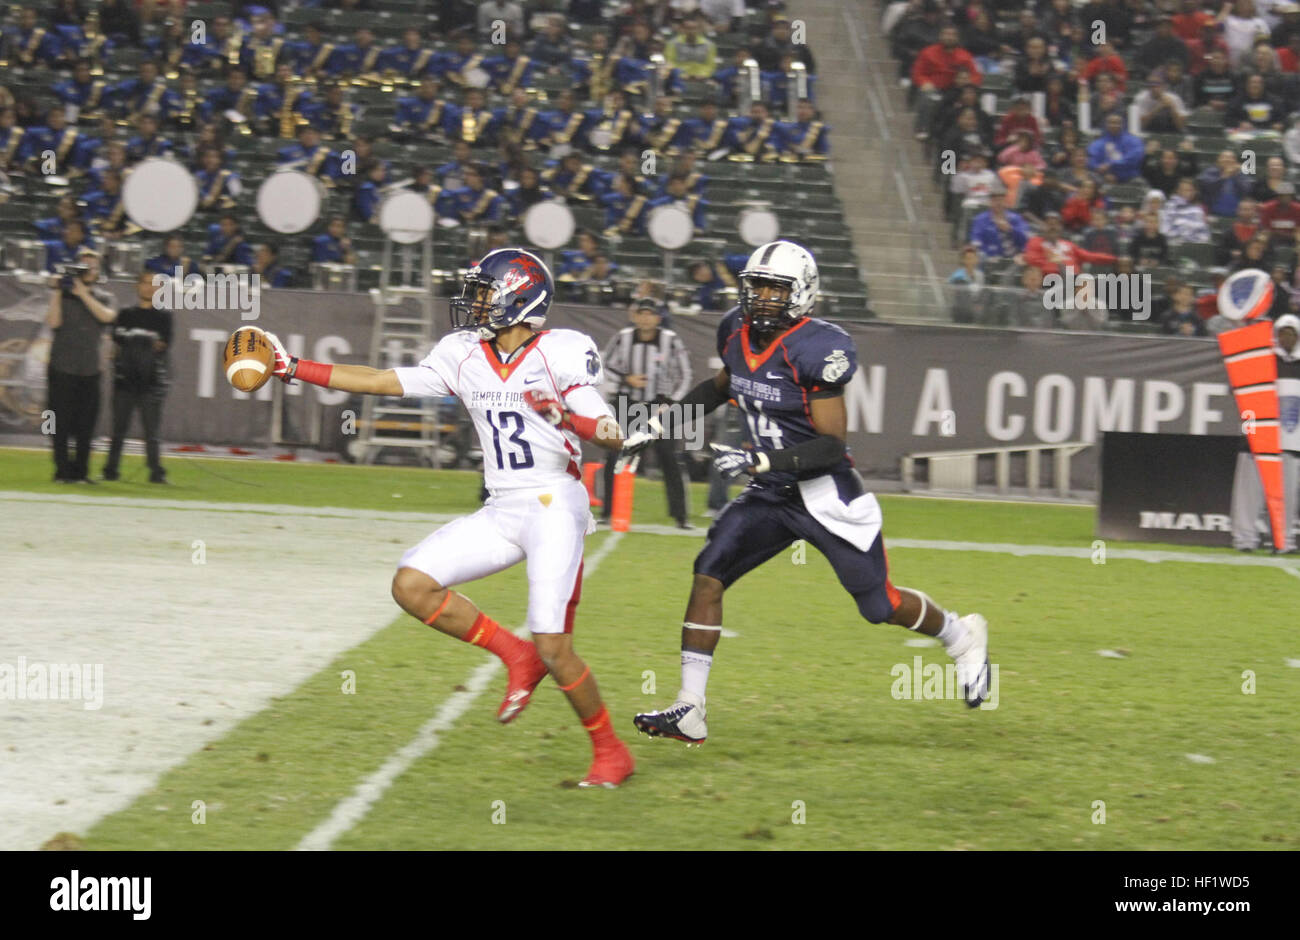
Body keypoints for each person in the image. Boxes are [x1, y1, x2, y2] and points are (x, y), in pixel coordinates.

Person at [252, 248, 635, 788]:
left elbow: (604, 427)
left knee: (556, 644)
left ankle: (611, 752)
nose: (474, 301)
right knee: (411, 585)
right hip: (502, 506)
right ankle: (513, 654)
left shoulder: (562, 352)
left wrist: (570, 417)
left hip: (553, 502)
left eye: (485, 291)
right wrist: (294, 367)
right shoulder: (463, 353)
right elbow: (384, 380)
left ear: (520, 297)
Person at [623, 240, 992, 743]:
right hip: (770, 493)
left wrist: (762, 459)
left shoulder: (818, 349)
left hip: (823, 493)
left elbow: (831, 446)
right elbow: (720, 387)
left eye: (776, 289)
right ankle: (690, 708)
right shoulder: (735, 328)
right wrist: (662, 423)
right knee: (708, 574)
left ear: (802, 294)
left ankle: (961, 634)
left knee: (879, 606)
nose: (762, 299)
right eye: (757, 287)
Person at [600, 299, 693, 529]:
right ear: (635, 316)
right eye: (641, 313)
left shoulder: (670, 340)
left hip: (658, 405)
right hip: (627, 403)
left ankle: (680, 517)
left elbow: (685, 374)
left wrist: (671, 402)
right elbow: (605, 364)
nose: (645, 318)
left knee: (669, 458)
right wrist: (625, 378)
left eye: (650, 314)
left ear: (658, 318)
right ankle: (607, 512)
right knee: (614, 456)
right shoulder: (623, 337)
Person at [45, 249, 116, 484]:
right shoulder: (63, 296)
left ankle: (81, 472)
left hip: (90, 370)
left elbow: (107, 317)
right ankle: (61, 471)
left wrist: (84, 294)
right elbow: (53, 322)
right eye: (83, 266)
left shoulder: (103, 297)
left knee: (87, 426)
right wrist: (57, 290)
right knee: (59, 424)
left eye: (92, 267)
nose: (88, 270)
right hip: (62, 368)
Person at [1231, 314, 1300, 551]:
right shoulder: (1262, 360)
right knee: (1249, 493)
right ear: (1276, 335)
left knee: (1288, 496)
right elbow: (1244, 393)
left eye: (1292, 333)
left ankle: (1284, 540)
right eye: (1283, 333)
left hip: (1291, 441)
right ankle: (1245, 539)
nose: (1287, 338)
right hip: (1259, 438)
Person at [103, 270, 173, 483]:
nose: (149, 287)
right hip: (124, 381)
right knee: (118, 430)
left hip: (151, 382)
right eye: (145, 282)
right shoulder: (125, 313)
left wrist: (135, 340)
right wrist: (142, 342)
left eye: (153, 284)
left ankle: (155, 472)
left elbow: (163, 345)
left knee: (152, 432)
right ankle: (110, 471)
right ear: (137, 285)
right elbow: (116, 341)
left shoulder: (164, 317)